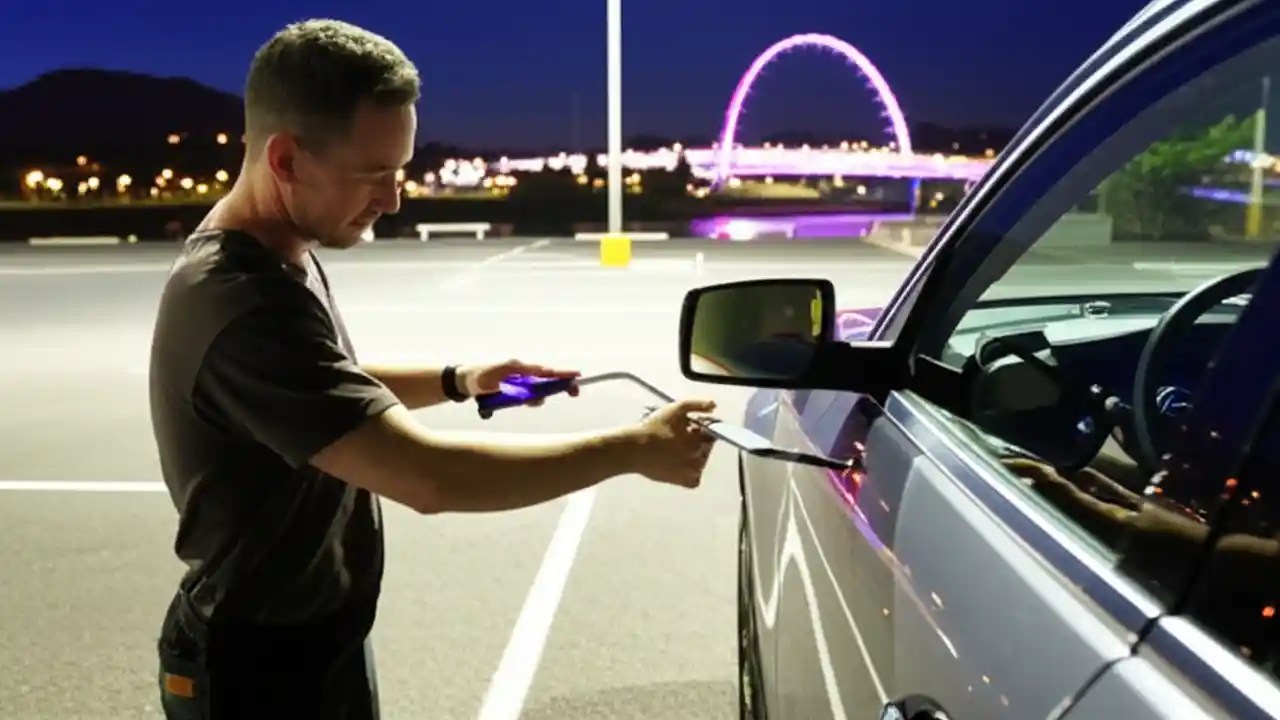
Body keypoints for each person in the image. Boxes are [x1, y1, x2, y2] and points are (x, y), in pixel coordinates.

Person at [148, 18, 718, 720]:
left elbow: (329, 388)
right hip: (255, 670)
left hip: (309, 640)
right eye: (375, 175)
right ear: (288, 159)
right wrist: (632, 450)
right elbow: (429, 478)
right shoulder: (238, 300)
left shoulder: (279, 252)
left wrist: (460, 379)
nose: (393, 199)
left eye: (400, 171)